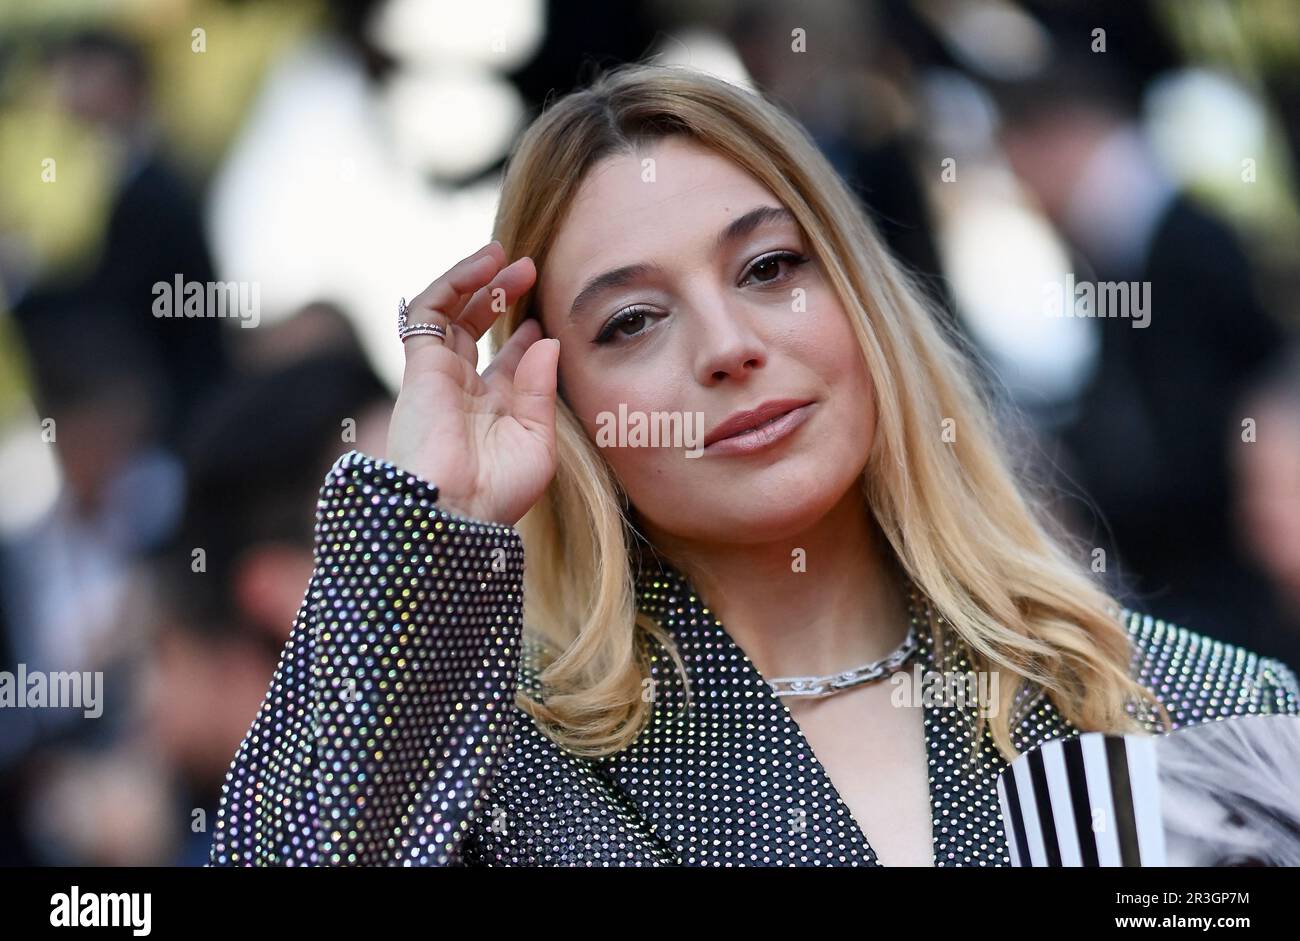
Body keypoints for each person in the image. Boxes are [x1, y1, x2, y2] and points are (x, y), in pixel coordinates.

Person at [208, 63, 1299, 868]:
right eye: (632, 320)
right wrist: (429, 522)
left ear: (860, 301)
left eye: (771, 266)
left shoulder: (1198, 713)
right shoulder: (496, 771)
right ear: (565, 403)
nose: (726, 344)